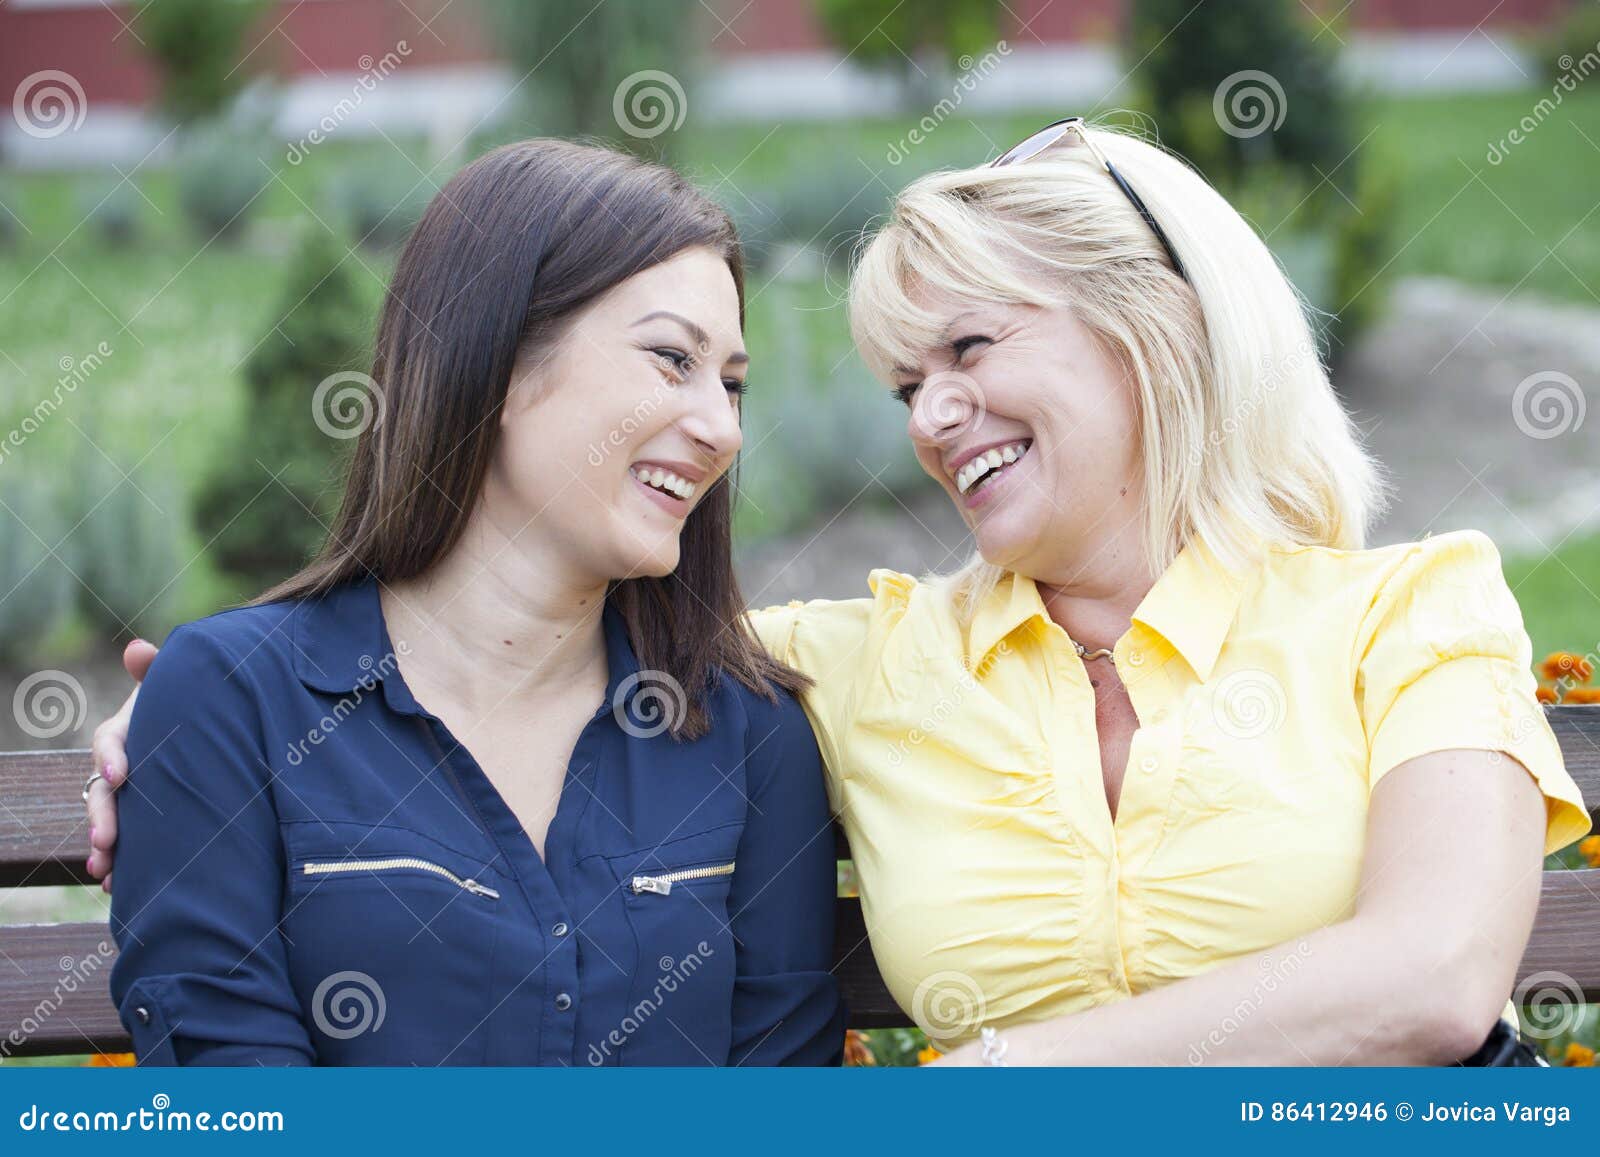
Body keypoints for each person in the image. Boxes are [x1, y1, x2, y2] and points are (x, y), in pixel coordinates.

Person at [88, 121, 1590, 1066]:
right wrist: (205, 720)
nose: (934, 417)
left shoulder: (1410, 611)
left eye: (973, 351)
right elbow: (492, 648)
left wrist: (1001, 1088)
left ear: (1157, 335)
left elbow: (1439, 978)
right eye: (904, 383)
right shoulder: (851, 669)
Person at [86, 139, 844, 1066]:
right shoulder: (234, 703)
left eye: (731, 383)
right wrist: (180, 716)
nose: (722, 428)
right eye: (671, 360)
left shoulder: (751, 735)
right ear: (499, 364)